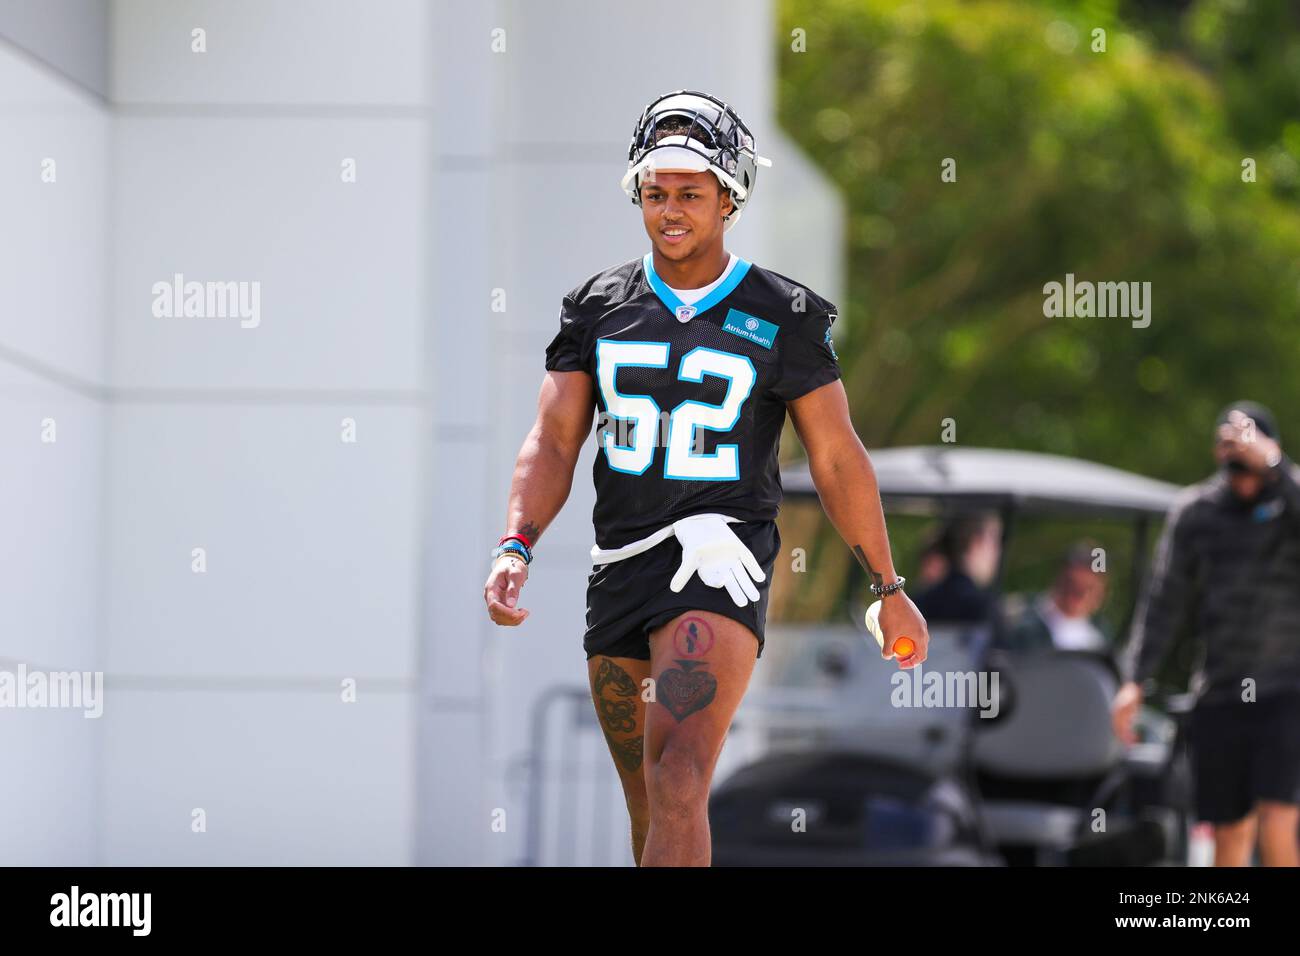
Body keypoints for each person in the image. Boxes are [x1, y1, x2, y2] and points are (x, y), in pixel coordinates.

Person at [481, 90, 929, 867]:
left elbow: (835, 455)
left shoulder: (783, 312)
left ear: (730, 197)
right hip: (620, 563)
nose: (670, 210)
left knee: (682, 775)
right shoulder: (597, 307)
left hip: (717, 556)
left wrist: (887, 586)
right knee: (650, 800)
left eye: (690, 193)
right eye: (656, 194)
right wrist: (516, 544)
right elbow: (554, 440)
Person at [1114, 401, 1300, 867]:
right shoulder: (1197, 511)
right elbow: (1163, 600)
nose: (1240, 473)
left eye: (1248, 455)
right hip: (1220, 692)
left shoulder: (1288, 499)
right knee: (1230, 829)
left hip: (1286, 691)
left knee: (1278, 818)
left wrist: (1275, 464)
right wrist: (1134, 679)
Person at [999, 542, 1110, 654]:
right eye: (1074, 583)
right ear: (1060, 578)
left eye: (1090, 587)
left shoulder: (1102, 636)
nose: (1081, 593)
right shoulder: (1017, 614)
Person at [912, 513, 1001, 624]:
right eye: (995, 542)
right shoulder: (984, 607)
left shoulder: (917, 604)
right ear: (977, 542)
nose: (997, 553)